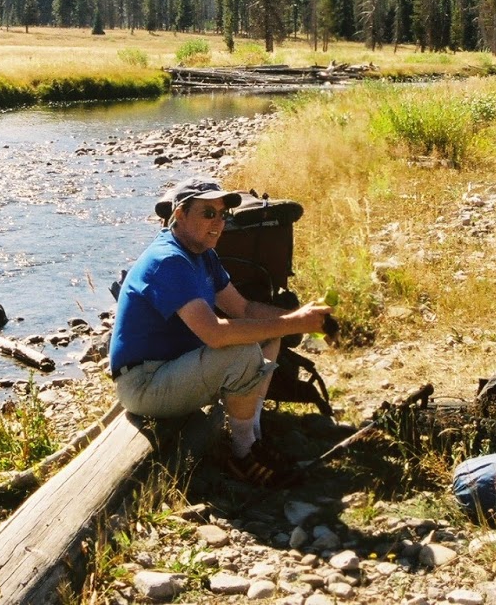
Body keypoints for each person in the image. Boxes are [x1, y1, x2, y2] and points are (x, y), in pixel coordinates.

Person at [109, 177, 333, 486]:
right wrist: (296, 323)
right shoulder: (168, 260)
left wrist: (301, 317)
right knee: (241, 351)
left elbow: (244, 309)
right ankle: (243, 455)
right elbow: (214, 334)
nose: (218, 223)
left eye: (223, 214)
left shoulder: (203, 254)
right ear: (180, 214)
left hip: (171, 368)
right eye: (208, 213)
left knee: (268, 334)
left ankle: (252, 435)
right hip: (143, 384)